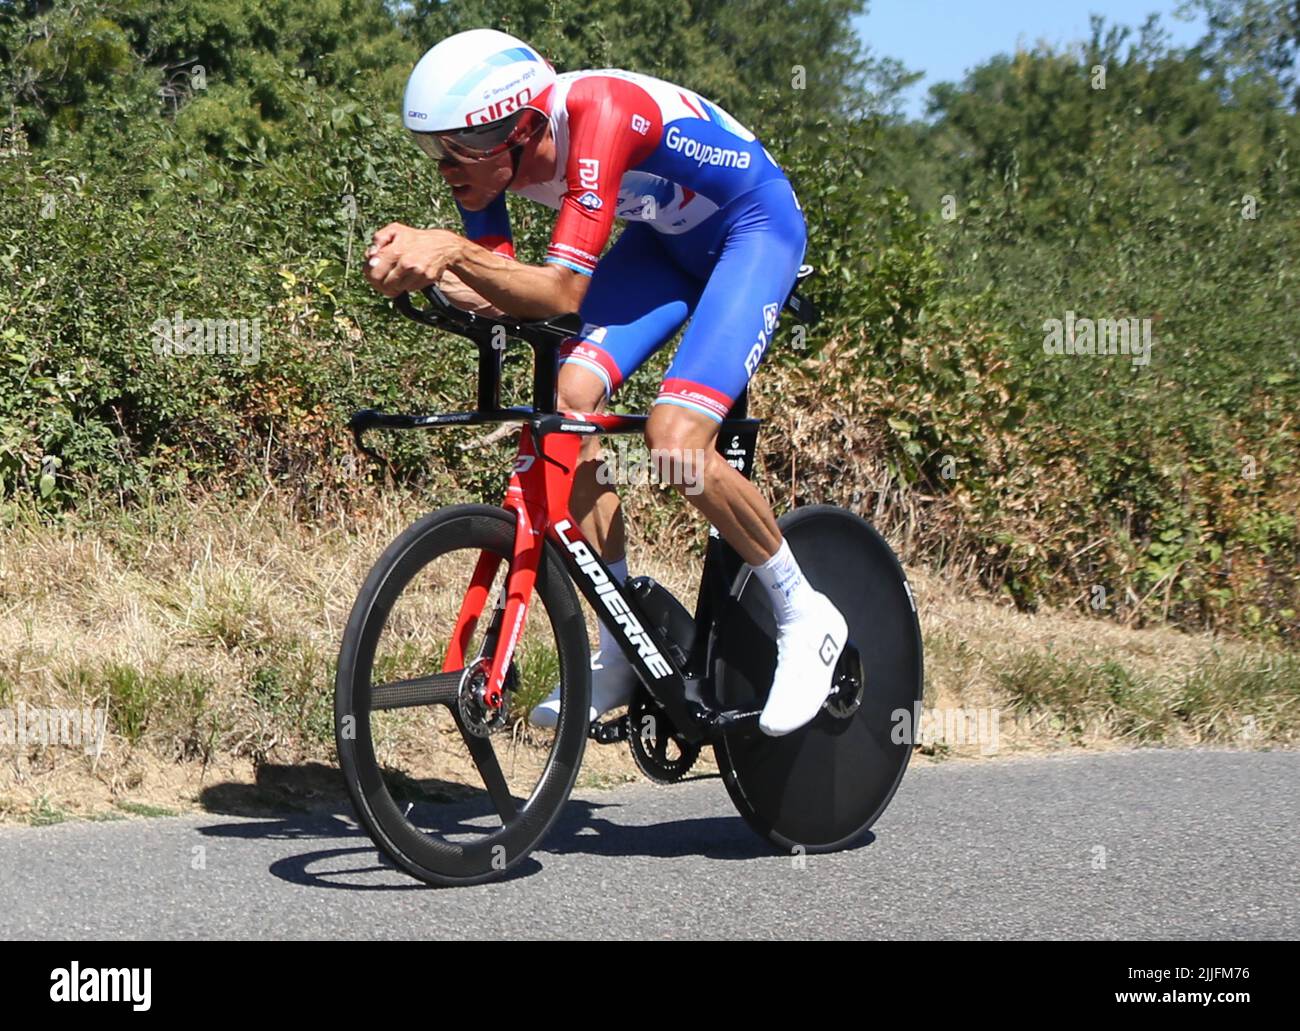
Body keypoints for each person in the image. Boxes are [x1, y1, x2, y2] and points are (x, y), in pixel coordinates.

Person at [364, 28, 846, 736]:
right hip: (664, 241)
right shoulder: (486, 167)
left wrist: (452, 251)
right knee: (572, 401)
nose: (444, 168)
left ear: (521, 129)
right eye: (431, 148)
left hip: (752, 227)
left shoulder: (601, 114)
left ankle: (806, 613)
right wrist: (423, 268)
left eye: (457, 148)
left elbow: (559, 291)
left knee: (673, 438)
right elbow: (506, 289)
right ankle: (621, 644)